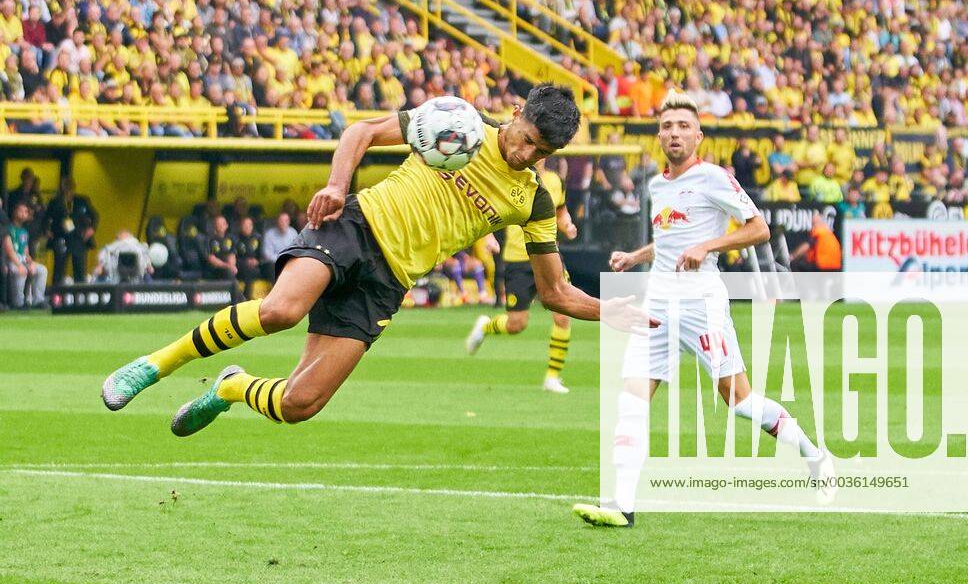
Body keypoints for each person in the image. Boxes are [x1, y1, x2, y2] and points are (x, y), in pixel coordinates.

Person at [103, 85, 652, 437]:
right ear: (515, 114)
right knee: (281, 312)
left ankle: (229, 387)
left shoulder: (534, 199)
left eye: (541, 153)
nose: (525, 154)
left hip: (388, 282)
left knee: (300, 405)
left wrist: (612, 310)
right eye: (527, 139)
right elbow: (362, 132)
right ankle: (155, 365)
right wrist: (336, 185)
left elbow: (555, 292)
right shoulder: (458, 121)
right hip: (356, 227)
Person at [572, 90, 835, 529]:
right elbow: (672, 239)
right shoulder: (657, 185)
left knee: (739, 400)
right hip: (657, 303)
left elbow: (759, 229)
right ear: (659, 136)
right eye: (667, 126)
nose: (674, 133)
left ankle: (813, 453)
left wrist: (708, 246)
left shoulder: (714, 178)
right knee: (632, 397)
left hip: (701, 303)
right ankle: (622, 505)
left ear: (698, 137)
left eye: (683, 126)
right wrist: (637, 256)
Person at [466, 159, 579, 394]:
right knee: (516, 324)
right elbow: (485, 207)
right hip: (518, 258)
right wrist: (487, 236)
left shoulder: (554, 181)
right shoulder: (511, 177)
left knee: (563, 315)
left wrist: (566, 224)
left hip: (549, 255)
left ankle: (552, 377)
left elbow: (560, 210)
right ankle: (486, 326)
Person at [44, 176, 98, 284]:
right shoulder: (55, 201)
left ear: (74, 187)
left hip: (79, 238)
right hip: (61, 237)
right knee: (59, 270)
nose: (68, 189)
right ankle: (57, 292)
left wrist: (92, 229)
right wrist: (46, 230)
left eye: (70, 187)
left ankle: (80, 292)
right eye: (66, 186)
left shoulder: (82, 201)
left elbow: (94, 215)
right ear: (62, 187)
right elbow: (46, 217)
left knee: (80, 269)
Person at [4, 202, 47, 308]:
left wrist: (31, 263)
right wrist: (19, 265)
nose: (24, 214)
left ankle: (38, 301)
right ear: (14, 212)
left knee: (42, 270)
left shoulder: (24, 231)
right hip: (10, 260)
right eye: (21, 211)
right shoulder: (8, 228)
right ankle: (18, 303)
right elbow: (9, 250)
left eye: (26, 211)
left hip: (22, 260)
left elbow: (26, 252)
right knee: (20, 271)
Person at [261, 212, 298, 281]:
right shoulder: (269, 234)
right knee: (273, 267)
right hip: (274, 262)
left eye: (286, 221)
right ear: (277, 222)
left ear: (289, 222)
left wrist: (288, 260)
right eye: (281, 221)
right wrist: (281, 260)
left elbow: (296, 250)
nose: (283, 223)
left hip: (289, 261)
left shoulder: (293, 233)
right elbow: (267, 254)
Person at [203, 215, 238, 280]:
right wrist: (226, 266)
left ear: (226, 225)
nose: (220, 226)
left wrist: (231, 266)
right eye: (218, 224)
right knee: (227, 271)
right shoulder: (209, 239)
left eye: (222, 224)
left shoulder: (231, 238)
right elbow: (210, 258)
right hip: (214, 268)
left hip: (228, 266)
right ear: (214, 226)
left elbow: (232, 255)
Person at [234, 216, 263, 292]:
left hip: (257, 266)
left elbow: (263, 255)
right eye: (244, 225)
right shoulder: (235, 239)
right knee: (248, 270)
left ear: (252, 226)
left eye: (249, 225)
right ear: (240, 226)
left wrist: (257, 261)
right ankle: (247, 295)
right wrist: (245, 262)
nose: (247, 227)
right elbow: (233, 257)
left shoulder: (258, 238)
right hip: (241, 267)